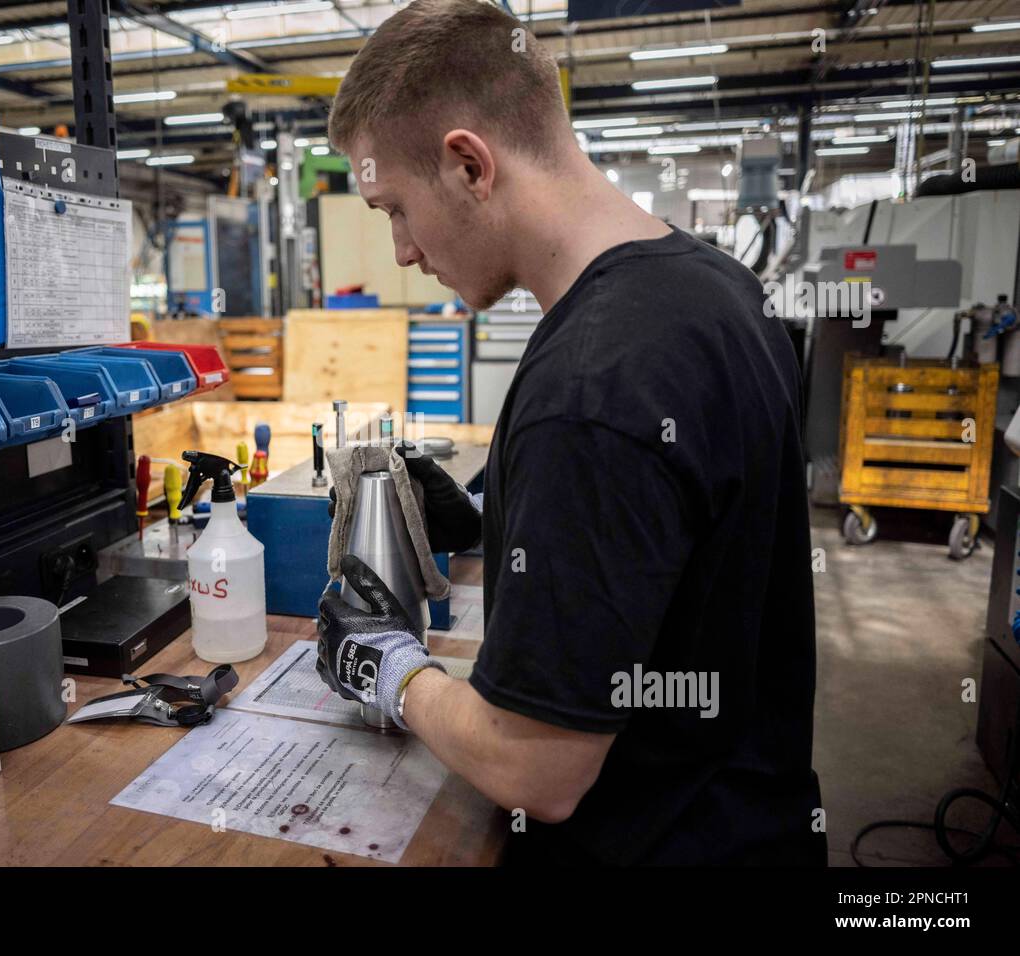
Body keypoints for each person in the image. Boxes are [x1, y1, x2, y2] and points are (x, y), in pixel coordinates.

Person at [314, 0, 826, 866]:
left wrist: (386, 669)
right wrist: (498, 526)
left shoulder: (592, 386)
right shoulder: (716, 288)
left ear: (468, 164)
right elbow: (682, 564)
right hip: (750, 819)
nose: (401, 251)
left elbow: (535, 770)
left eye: (393, 209)